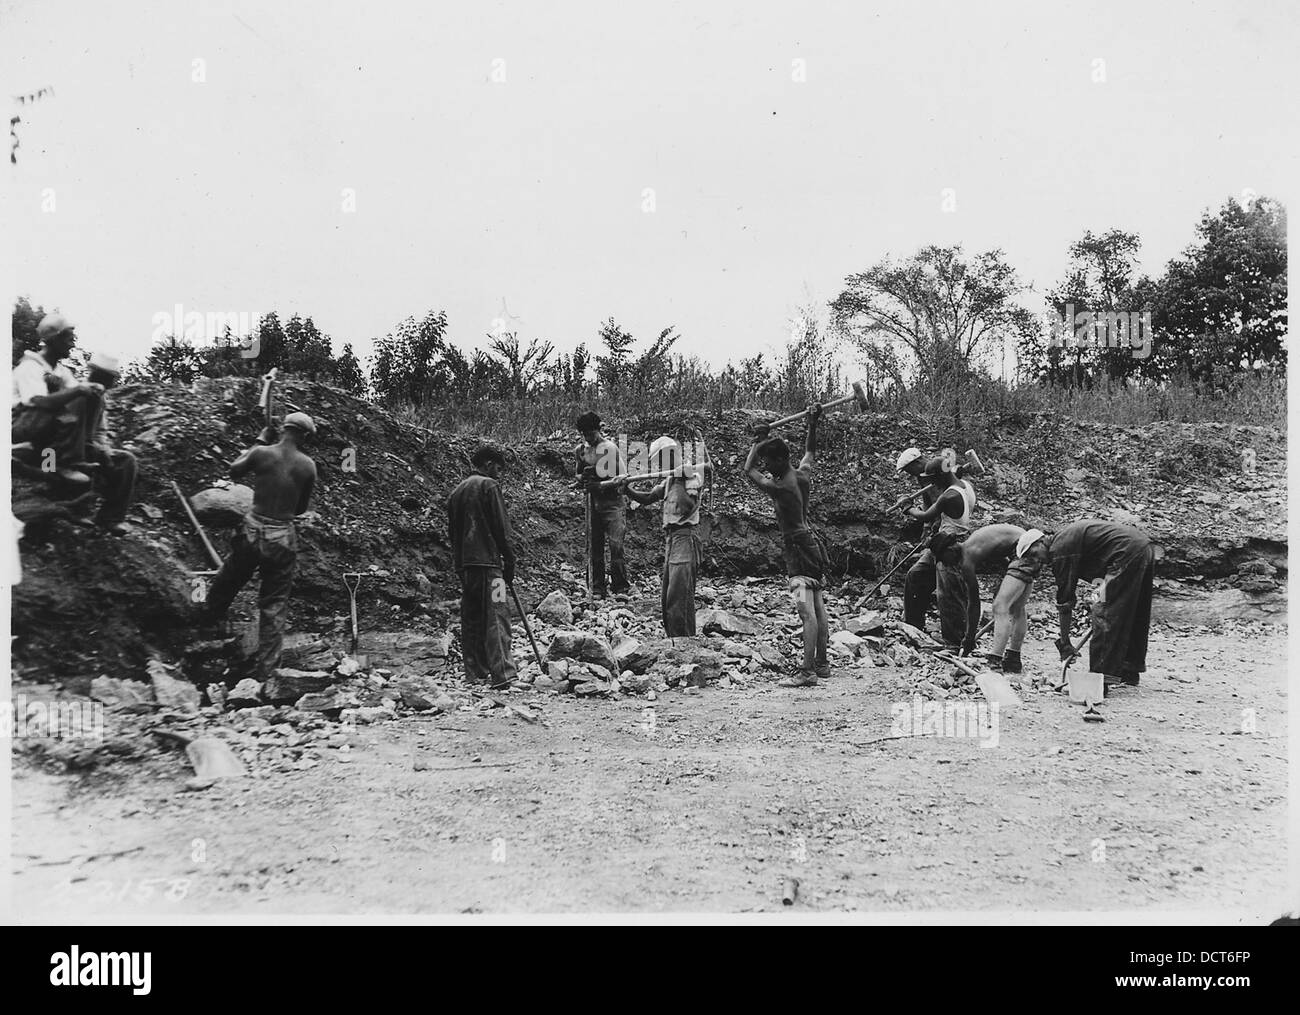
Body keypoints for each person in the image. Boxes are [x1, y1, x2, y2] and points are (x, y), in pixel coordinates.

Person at [200, 412, 318, 679]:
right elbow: (300, 509)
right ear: (305, 436)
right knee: (274, 604)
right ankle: (268, 675)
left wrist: (258, 441)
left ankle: (204, 627)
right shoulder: (308, 466)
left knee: (228, 580)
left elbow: (233, 470)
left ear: (282, 429)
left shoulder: (261, 453)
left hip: (251, 531)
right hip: (282, 538)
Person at [1013, 520, 1155, 690]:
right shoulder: (1065, 540)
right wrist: (1100, 592)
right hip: (1142, 547)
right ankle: (1129, 670)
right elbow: (1101, 569)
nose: (1037, 560)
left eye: (1033, 553)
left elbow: (1065, 602)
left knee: (1103, 612)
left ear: (1040, 542)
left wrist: (1065, 642)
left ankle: (1100, 678)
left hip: (1126, 552)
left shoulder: (1059, 550)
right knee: (1133, 609)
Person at [744, 405, 829, 687]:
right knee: (817, 605)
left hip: (796, 545)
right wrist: (812, 422)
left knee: (806, 611)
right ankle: (822, 663)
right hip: (812, 543)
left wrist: (757, 442)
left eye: (769, 462)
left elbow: (748, 470)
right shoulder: (801, 475)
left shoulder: (780, 487)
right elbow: (810, 452)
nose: (765, 467)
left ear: (780, 460)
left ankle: (807, 672)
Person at [622, 434, 712, 637]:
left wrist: (682, 479)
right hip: (671, 540)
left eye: (658, 461)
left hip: (685, 538)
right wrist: (627, 489)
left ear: (669, 455)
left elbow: (688, 506)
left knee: (679, 594)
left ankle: (683, 640)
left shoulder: (691, 476)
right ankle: (676, 637)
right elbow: (647, 498)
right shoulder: (671, 479)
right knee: (668, 594)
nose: (656, 465)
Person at [448, 443, 518, 689]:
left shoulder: (456, 492)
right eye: (498, 468)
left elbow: (453, 535)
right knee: (497, 615)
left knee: (473, 620)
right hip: (490, 567)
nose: (499, 474)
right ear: (488, 465)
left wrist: (459, 567)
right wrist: (509, 560)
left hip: (466, 567)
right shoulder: (489, 485)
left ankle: (475, 674)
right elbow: (501, 528)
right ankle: (504, 674)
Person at [11, 313, 101, 484]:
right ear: (54, 340)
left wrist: (90, 390)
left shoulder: (61, 371)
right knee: (69, 400)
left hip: (42, 425)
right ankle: (58, 465)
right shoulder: (30, 367)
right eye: (69, 340)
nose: (73, 344)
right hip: (20, 424)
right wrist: (78, 391)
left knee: (88, 397)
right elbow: (39, 402)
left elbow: (77, 400)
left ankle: (79, 454)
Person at [900, 455, 978, 641]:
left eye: (933, 479)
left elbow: (925, 515)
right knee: (916, 575)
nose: (932, 483)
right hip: (942, 540)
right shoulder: (965, 486)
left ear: (941, 476)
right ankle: (914, 628)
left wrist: (907, 507)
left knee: (948, 594)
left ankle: (955, 641)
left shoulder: (948, 496)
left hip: (952, 547)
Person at [930, 523, 1027, 670]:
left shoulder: (967, 558)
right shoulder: (974, 545)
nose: (945, 563)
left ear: (949, 550)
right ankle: (1013, 659)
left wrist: (969, 638)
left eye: (943, 558)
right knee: (1017, 606)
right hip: (1028, 544)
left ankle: (995, 660)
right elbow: (1002, 556)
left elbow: (974, 603)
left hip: (1023, 548)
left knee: (1000, 607)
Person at [574, 411, 629, 597]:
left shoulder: (610, 448)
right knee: (595, 545)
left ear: (600, 429)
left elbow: (620, 478)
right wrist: (584, 476)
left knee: (616, 545)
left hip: (613, 504)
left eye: (592, 433)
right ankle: (597, 586)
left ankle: (620, 586)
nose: (589, 438)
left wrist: (598, 480)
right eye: (586, 434)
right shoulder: (581, 450)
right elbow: (578, 474)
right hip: (594, 504)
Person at [82, 352, 137, 535]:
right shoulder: (81, 393)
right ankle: (90, 513)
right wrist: (96, 448)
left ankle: (109, 517)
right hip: (62, 449)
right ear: (101, 376)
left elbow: (99, 431)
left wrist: (103, 449)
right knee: (126, 461)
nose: (114, 383)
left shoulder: (100, 398)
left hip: (87, 447)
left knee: (125, 461)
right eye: (112, 378)